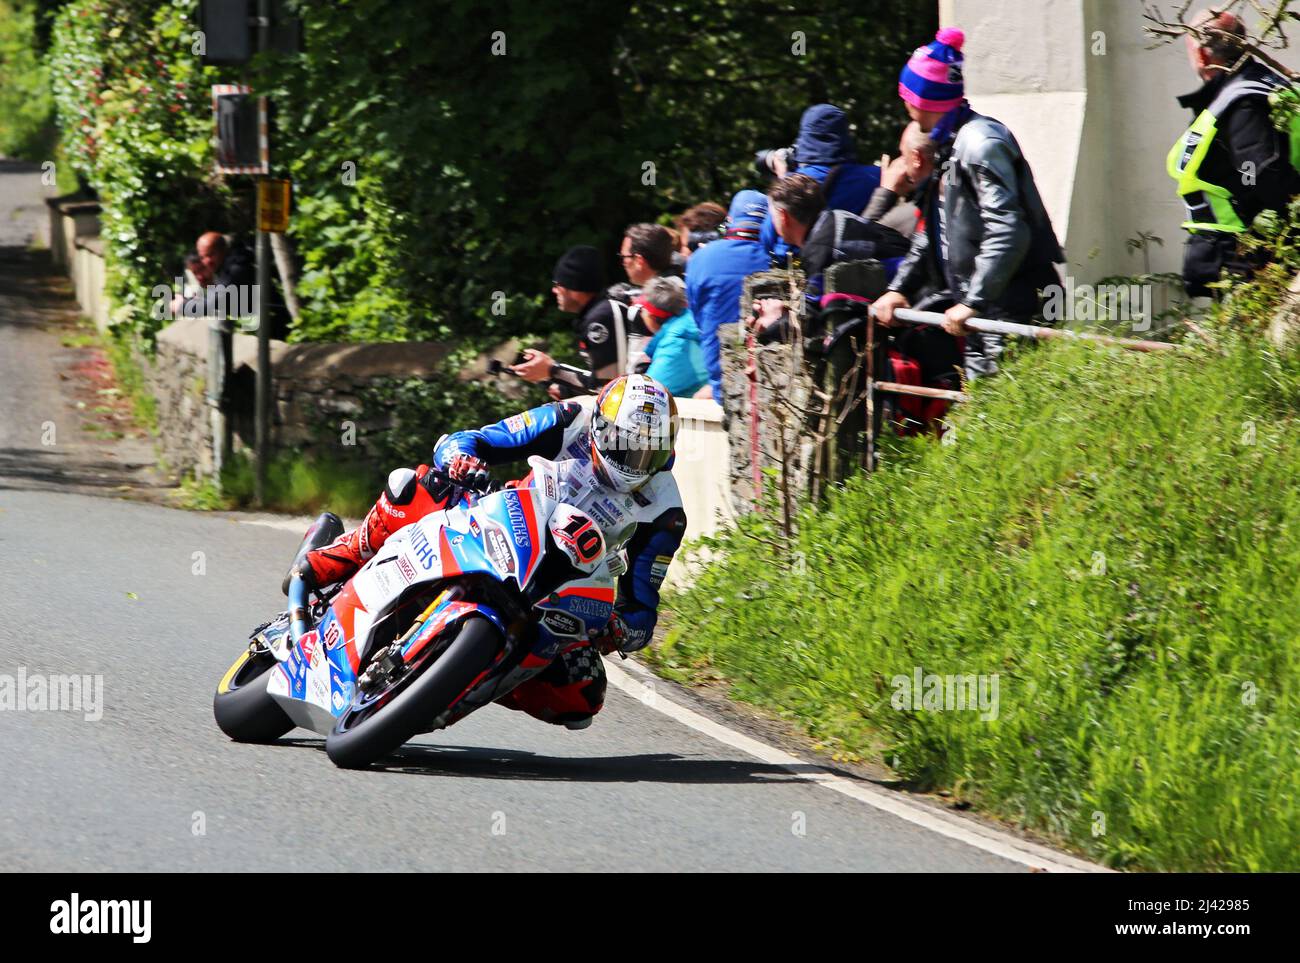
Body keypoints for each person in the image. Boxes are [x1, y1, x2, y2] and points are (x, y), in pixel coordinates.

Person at [292, 374, 688, 731]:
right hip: (506, 523)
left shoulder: (665, 511)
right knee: (421, 486)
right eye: (624, 445)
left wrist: (618, 629)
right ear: (601, 427)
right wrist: (461, 460)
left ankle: (461, 682)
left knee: (582, 697)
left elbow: (641, 609)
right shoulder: (569, 419)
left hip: (564, 588)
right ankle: (340, 555)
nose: (633, 461)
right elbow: (475, 439)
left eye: (647, 453)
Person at [873, 27, 1064, 380]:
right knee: (983, 417)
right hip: (979, 312)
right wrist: (898, 288)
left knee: (1007, 418)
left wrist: (973, 300)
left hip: (1010, 308)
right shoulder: (949, 144)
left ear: (918, 97)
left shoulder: (980, 144)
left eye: (906, 92)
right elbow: (932, 231)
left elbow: (1008, 230)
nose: (903, 101)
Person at [1168, 9, 1300, 296]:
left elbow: (1260, 173)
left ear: (1202, 55)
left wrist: (1259, 248)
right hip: (1244, 256)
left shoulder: (1244, 99)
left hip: (1250, 262)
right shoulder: (1260, 86)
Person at [752, 174, 911, 343]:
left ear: (783, 216)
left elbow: (808, 319)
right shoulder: (834, 218)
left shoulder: (820, 248)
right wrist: (786, 310)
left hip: (911, 305)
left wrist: (771, 324)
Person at [757, 103, 883, 262]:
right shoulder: (876, 177)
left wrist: (784, 179)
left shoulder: (796, 184)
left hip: (808, 268)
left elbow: (768, 240)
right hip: (864, 266)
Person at [684, 189, 772, 404]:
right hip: (773, 379)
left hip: (723, 382)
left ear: (730, 221)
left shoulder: (700, 258)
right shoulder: (779, 257)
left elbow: (699, 320)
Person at [511, 245, 630, 398]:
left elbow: (610, 390)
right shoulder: (600, 312)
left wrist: (552, 370)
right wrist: (562, 383)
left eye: (557, 284)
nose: (554, 290)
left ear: (573, 287)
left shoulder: (601, 320)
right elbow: (602, 382)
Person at [638, 276, 710, 397]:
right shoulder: (693, 323)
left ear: (650, 316)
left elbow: (647, 394)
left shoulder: (674, 343)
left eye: (642, 309)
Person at [169, 231, 255, 317]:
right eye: (203, 257)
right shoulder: (225, 266)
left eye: (211, 254)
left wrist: (182, 306)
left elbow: (215, 301)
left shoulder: (236, 267)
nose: (207, 261)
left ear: (223, 249)